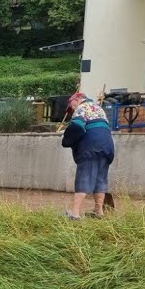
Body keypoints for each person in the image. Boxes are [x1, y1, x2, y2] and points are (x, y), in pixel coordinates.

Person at [61, 91, 115, 219]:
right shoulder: (99, 108)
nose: (72, 109)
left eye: (71, 105)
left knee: (84, 178)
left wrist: (66, 140)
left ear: (77, 99)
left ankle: (74, 214)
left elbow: (77, 127)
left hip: (91, 148)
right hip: (107, 148)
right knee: (100, 179)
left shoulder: (82, 107)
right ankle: (99, 211)